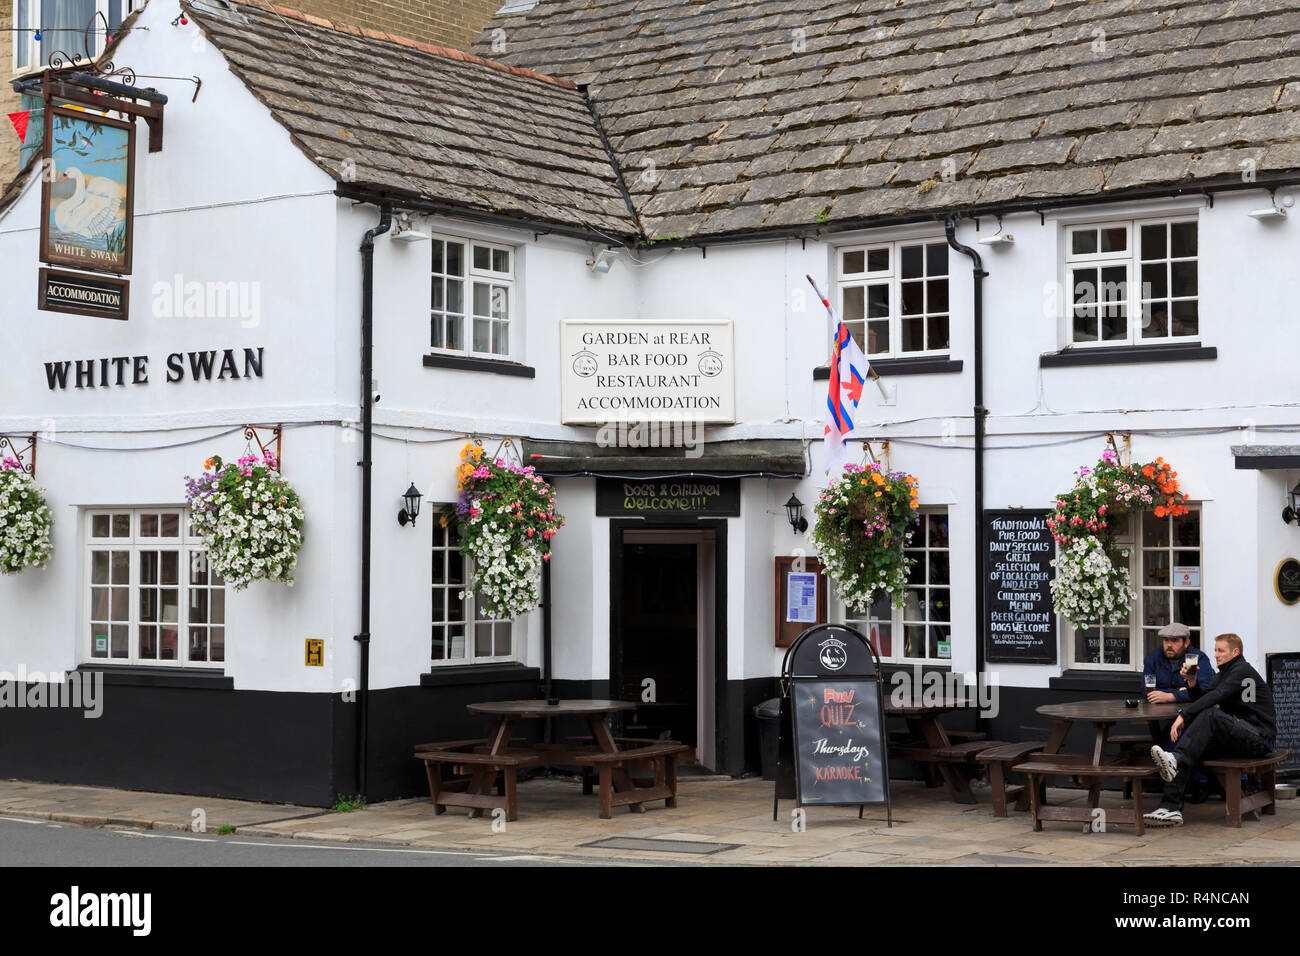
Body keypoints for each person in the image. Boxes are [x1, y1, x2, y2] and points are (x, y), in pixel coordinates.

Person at [1145, 633, 1276, 826]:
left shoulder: (1241, 671)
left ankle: (1175, 762)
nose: (1216, 655)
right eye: (1215, 650)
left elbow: (1216, 697)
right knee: (1189, 748)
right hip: (1239, 736)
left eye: (1220, 650)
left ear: (1235, 652)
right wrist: (1192, 681)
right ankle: (1170, 807)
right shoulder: (1225, 673)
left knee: (1210, 716)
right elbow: (1205, 697)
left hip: (1259, 739)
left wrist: (1184, 715)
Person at [1142, 622, 1216, 705]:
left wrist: (1171, 696)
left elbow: (1206, 690)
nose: (1169, 645)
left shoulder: (1196, 658)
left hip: (1190, 711)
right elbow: (1147, 690)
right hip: (1157, 711)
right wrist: (1179, 691)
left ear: (1186, 643)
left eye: (1174, 640)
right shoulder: (1153, 658)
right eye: (1166, 640)